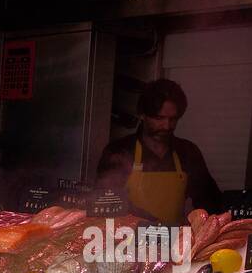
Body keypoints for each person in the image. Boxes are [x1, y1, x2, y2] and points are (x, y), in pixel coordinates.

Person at [95, 78, 223, 225]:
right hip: (126, 241)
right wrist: (149, 223)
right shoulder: (119, 151)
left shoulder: (188, 152)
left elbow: (211, 202)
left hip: (173, 242)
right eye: (159, 118)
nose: (166, 126)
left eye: (173, 119)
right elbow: (104, 204)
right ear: (142, 114)